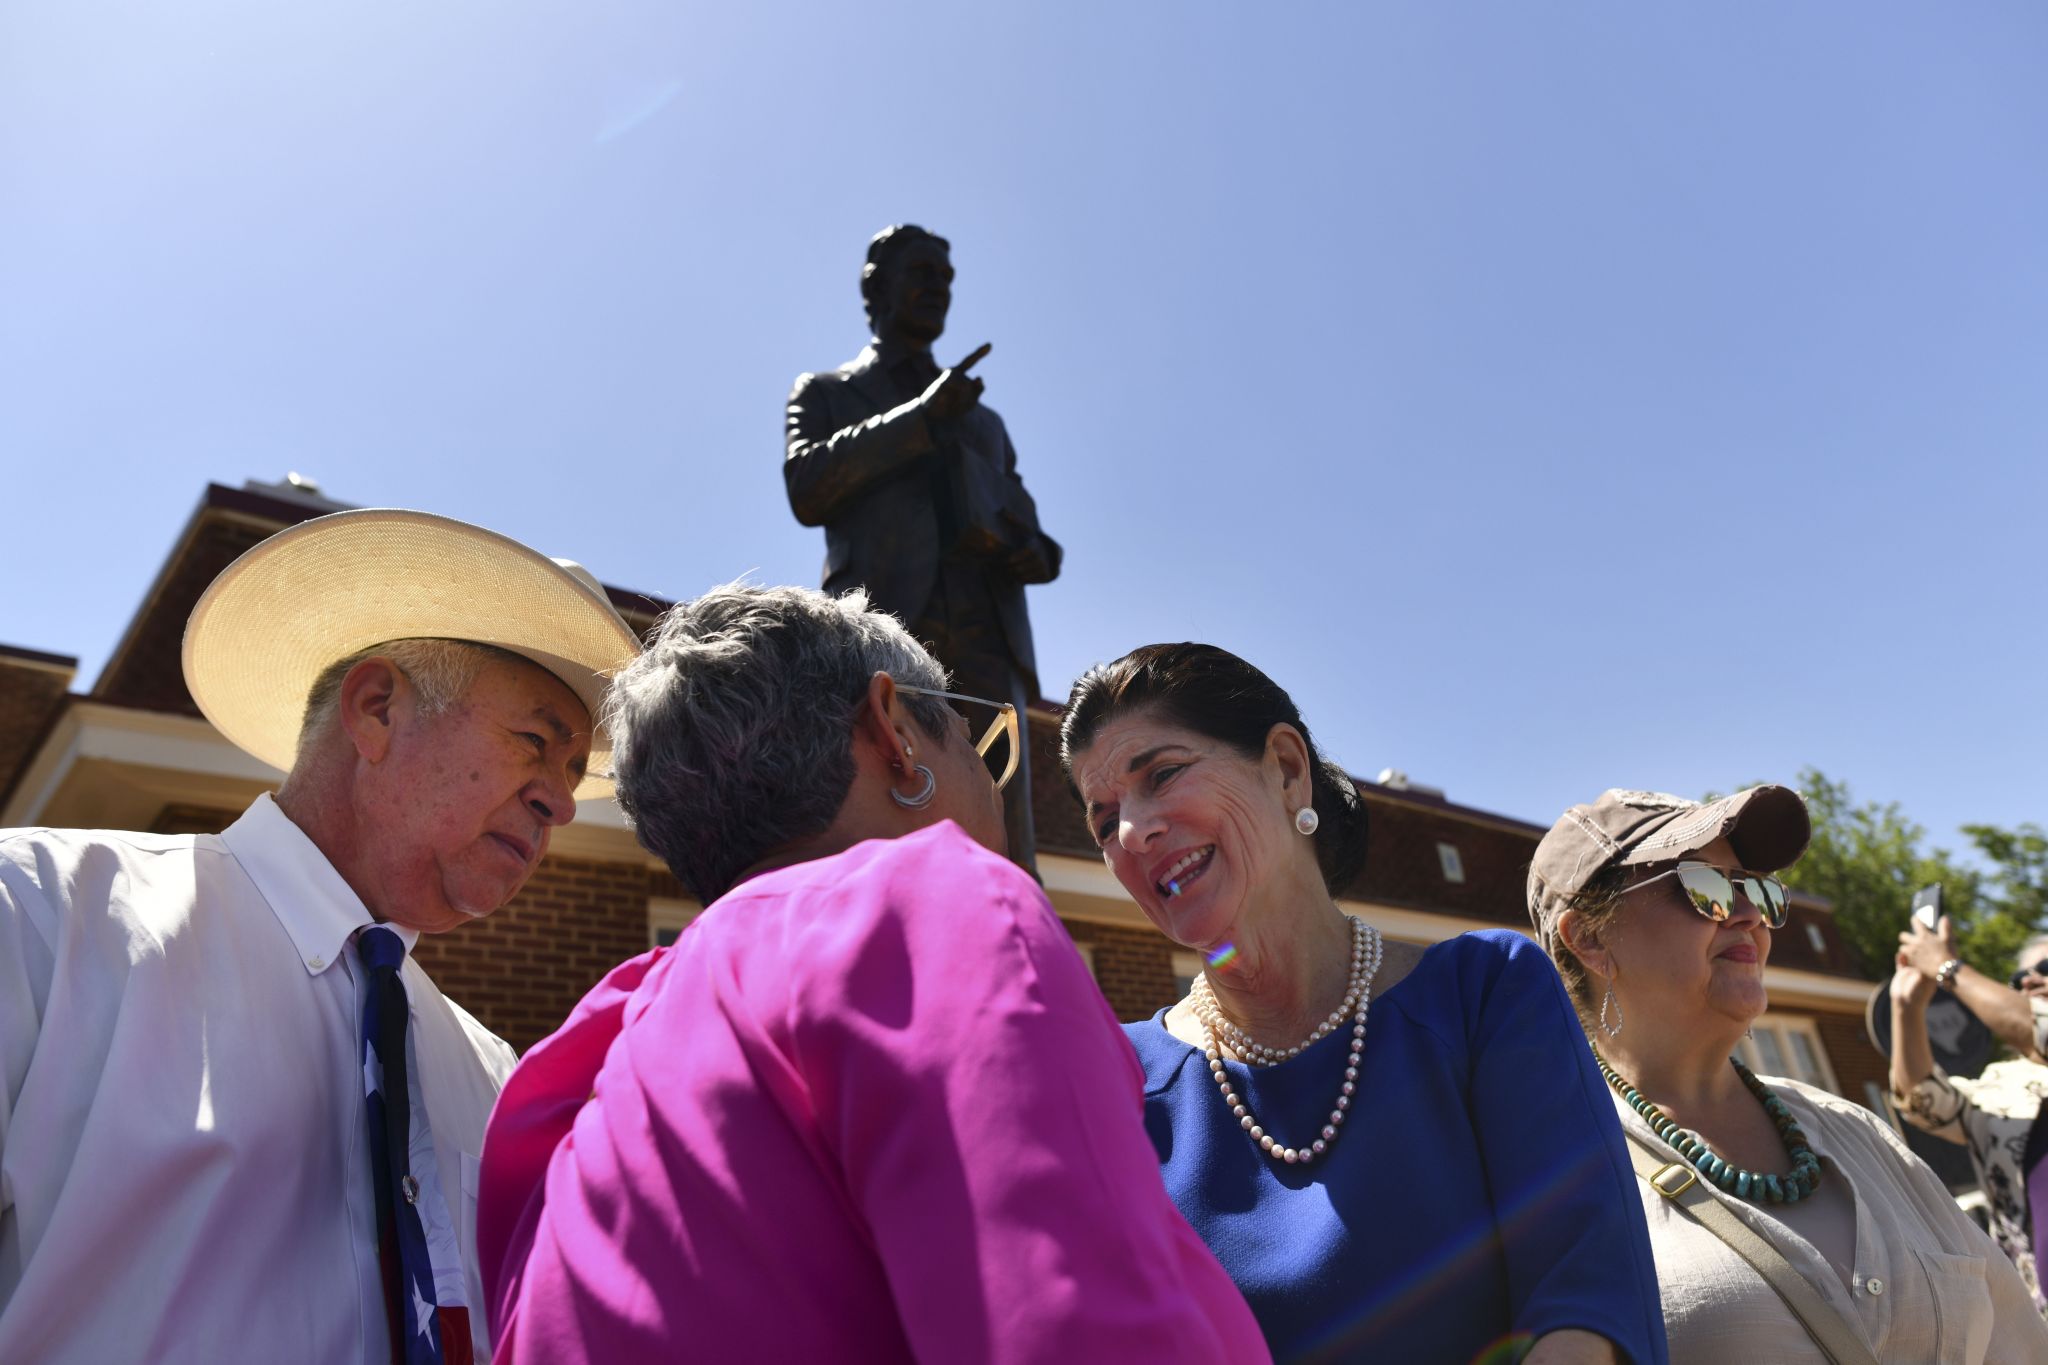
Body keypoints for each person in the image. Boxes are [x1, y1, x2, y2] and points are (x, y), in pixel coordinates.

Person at [476, 585, 1269, 1364]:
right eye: (972, 740)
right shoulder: (932, 908)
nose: (991, 783)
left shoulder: (596, 1049)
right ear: (894, 730)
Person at [0, 508, 642, 1363]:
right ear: (376, 709)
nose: (560, 803)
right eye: (534, 741)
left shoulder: (492, 1074)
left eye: (572, 772)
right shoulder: (42, 916)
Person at [1061, 643, 1666, 1364]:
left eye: (1161, 774)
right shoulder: (1118, 1081)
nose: (1132, 832)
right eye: (1103, 822)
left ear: (1286, 768)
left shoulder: (1486, 995)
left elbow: (1590, 1301)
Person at [1532, 785, 2048, 1363]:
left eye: (1758, 890)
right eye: (1704, 888)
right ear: (1590, 937)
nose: (1752, 916)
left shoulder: (1856, 1130)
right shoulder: (1550, 1178)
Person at [784, 224, 1061, 871]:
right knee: (884, 818)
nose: (938, 289)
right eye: (922, 274)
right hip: (885, 634)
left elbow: (1042, 546)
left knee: (1005, 838)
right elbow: (807, 486)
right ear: (875, 287)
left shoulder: (984, 421)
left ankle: (1014, 960)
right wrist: (922, 417)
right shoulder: (826, 393)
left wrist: (1024, 547)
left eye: (947, 279)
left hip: (989, 643)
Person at [1891, 921, 2048, 1316]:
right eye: (2019, 978)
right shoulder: (2002, 1085)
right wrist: (1907, 1008)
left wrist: (1947, 966)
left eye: (2045, 970)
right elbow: (1924, 1100)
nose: (2030, 980)